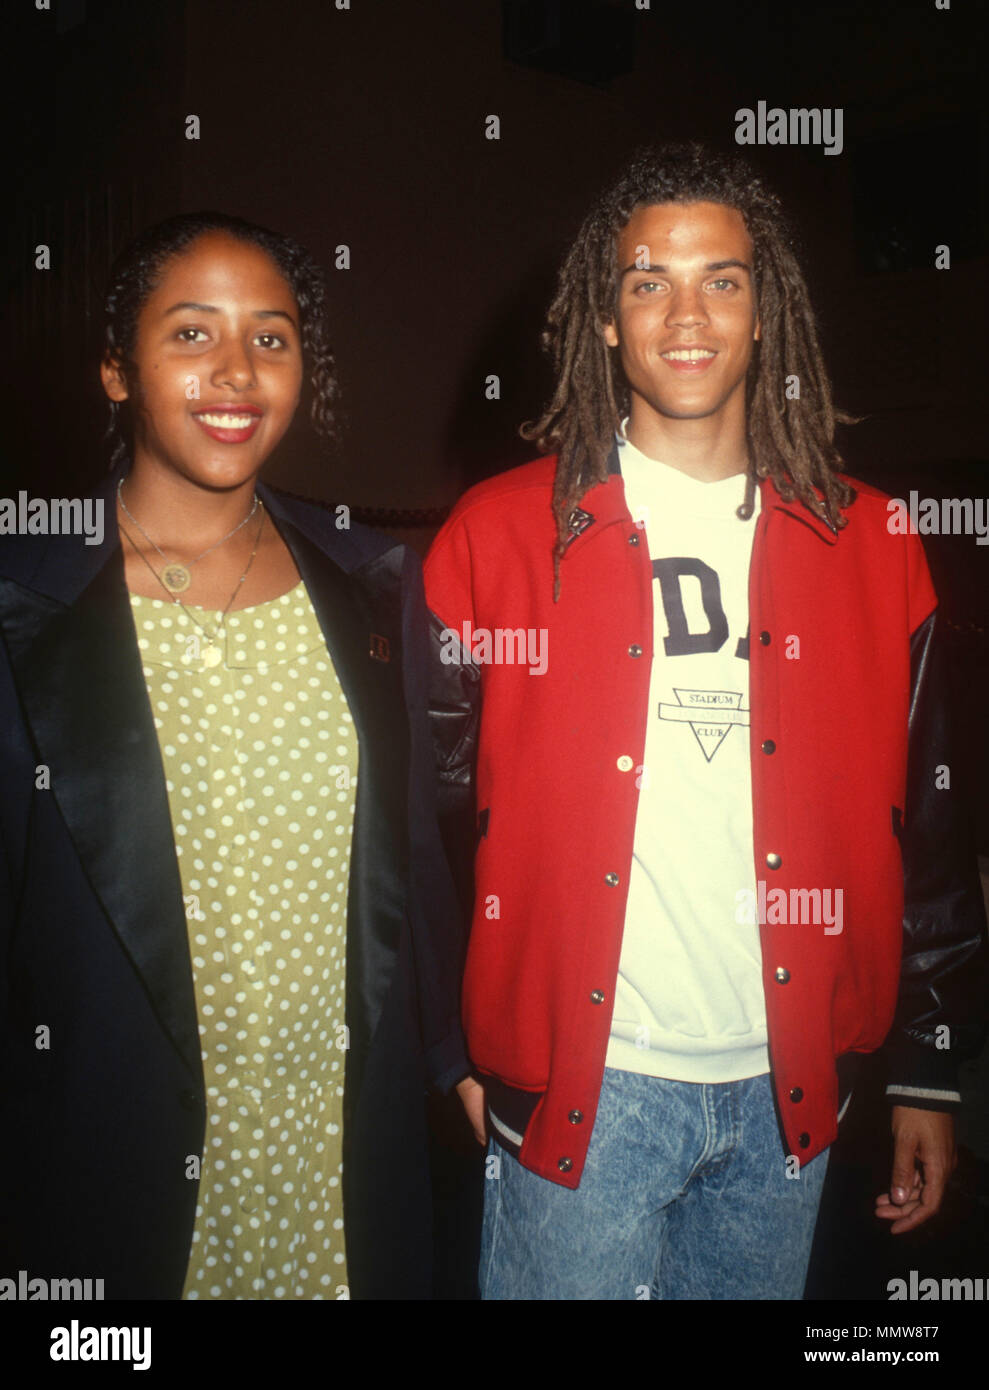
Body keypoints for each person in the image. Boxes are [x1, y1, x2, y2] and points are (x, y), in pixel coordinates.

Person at [424, 143, 989, 1300]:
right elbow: (425, 830)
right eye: (646, 280)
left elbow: (924, 832)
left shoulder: (875, 544)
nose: (686, 314)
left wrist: (931, 1072)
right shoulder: (490, 539)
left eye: (721, 279)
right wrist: (453, 1046)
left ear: (765, 310)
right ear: (601, 317)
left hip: (791, 1098)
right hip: (584, 1093)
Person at [0, 211, 469, 1300]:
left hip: (331, 1143)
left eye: (271, 337)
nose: (235, 372)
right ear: (115, 370)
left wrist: (450, 1052)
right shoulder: (27, 596)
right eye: (189, 334)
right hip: (105, 1150)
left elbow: (412, 854)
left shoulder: (370, 585)